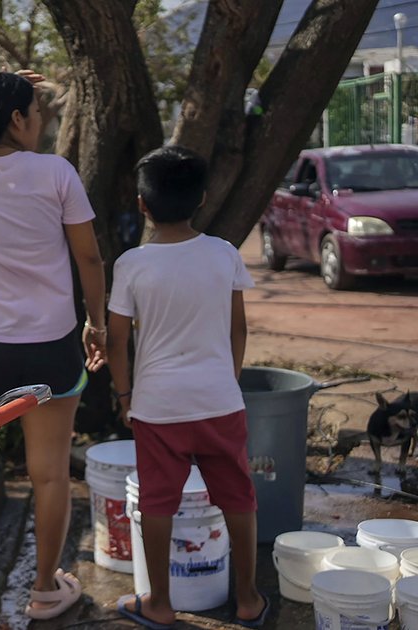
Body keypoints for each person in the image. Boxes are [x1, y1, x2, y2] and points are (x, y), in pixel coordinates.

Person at [0, 73, 108, 621]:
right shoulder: (56, 172)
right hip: (51, 348)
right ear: (18, 120)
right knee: (50, 473)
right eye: (35, 109)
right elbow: (89, 259)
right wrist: (96, 322)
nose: (41, 118)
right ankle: (43, 591)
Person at [108, 146, 266, 629]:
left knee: (157, 502)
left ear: (142, 204)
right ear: (202, 198)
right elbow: (239, 329)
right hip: (219, 400)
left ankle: (159, 603)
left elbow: (117, 342)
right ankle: (247, 600)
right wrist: (229, 377)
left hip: (157, 406)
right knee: (237, 496)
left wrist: (125, 397)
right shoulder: (224, 254)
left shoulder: (131, 264)